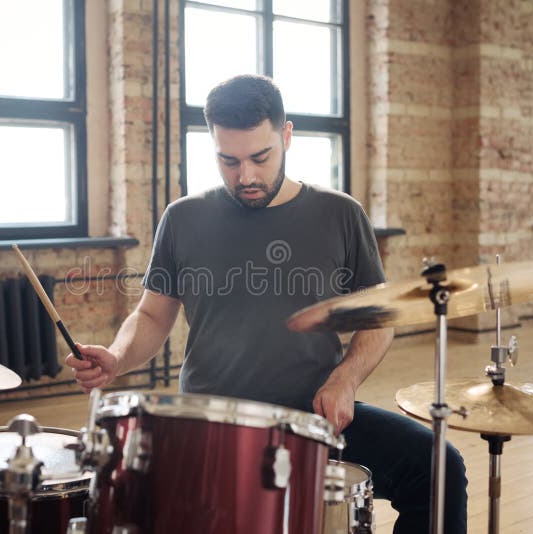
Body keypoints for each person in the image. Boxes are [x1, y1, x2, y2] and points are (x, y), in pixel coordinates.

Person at [66, 74, 467, 533]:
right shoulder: (182, 218)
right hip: (208, 424)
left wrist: (345, 379)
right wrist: (117, 357)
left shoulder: (340, 214)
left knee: (438, 467)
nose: (247, 176)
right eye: (229, 161)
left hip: (313, 419)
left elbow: (378, 319)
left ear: (287, 135)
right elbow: (153, 315)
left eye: (260, 157)